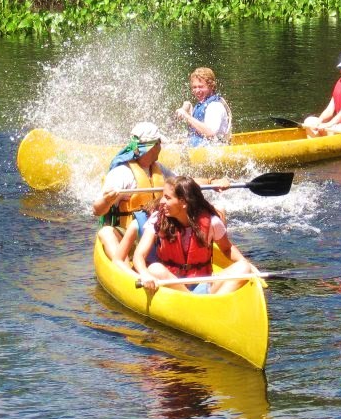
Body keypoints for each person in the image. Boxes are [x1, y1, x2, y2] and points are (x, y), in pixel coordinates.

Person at [93, 122, 229, 270]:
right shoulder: (121, 173)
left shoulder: (160, 169)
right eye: (159, 143)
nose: (161, 147)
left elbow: (184, 182)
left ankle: (204, 254)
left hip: (160, 228)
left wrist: (212, 181)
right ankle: (126, 272)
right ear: (153, 146)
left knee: (218, 210)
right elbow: (97, 210)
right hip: (132, 233)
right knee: (106, 232)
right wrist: (107, 201)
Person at [133, 176, 255, 295]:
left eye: (167, 198)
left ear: (183, 202)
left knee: (244, 267)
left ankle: (206, 302)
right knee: (155, 269)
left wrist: (245, 263)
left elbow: (227, 248)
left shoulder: (212, 222)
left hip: (204, 285)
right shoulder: (157, 219)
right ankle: (198, 302)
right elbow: (139, 255)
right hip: (171, 285)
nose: (161, 201)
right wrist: (144, 274)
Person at [175, 67, 232, 146]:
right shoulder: (202, 104)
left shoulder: (215, 106)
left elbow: (210, 133)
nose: (197, 91)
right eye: (194, 87)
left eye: (201, 87)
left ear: (211, 86)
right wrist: (188, 107)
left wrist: (186, 116)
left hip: (215, 150)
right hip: (201, 146)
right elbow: (197, 126)